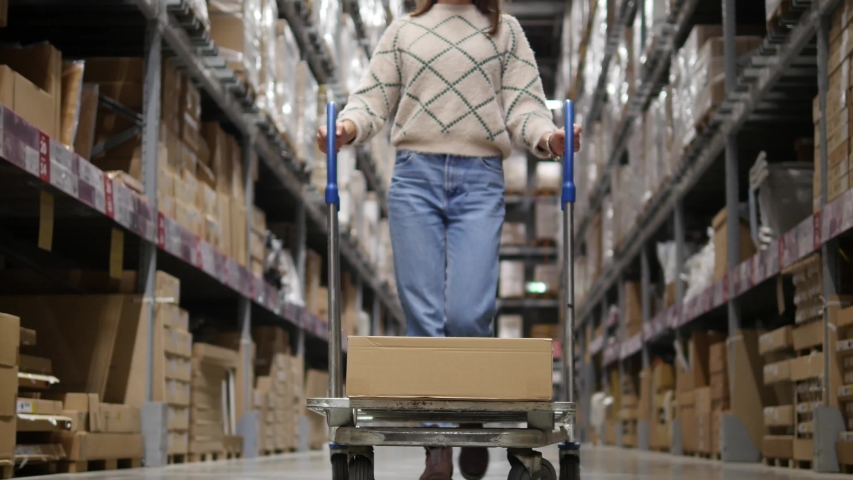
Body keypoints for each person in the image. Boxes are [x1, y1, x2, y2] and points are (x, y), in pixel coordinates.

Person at [318, 0, 581, 477]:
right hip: (413, 178)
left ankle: (470, 418)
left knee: (468, 314)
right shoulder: (404, 31)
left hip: (480, 180)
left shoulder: (505, 31)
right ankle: (437, 445)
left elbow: (525, 105)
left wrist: (549, 138)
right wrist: (347, 127)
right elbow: (373, 97)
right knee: (423, 318)